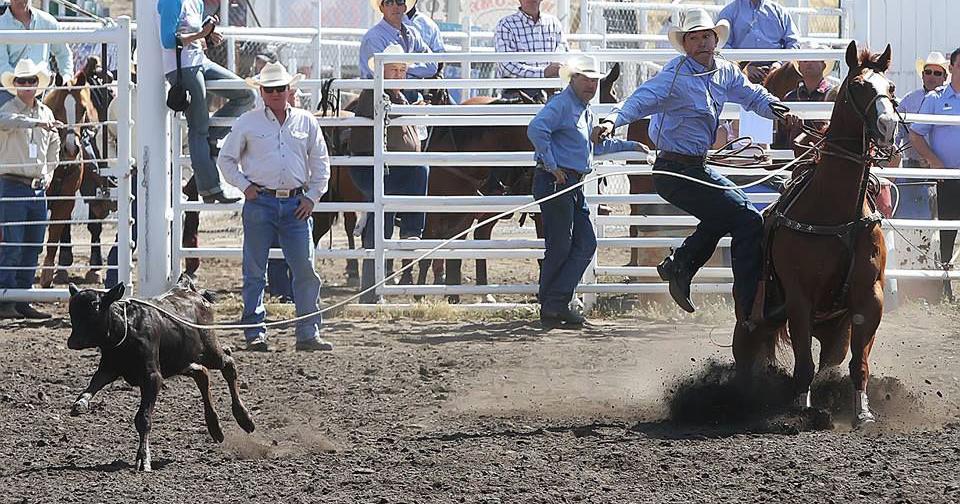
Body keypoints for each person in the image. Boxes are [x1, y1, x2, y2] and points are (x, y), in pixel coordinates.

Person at [593, 9, 800, 320]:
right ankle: (747, 303)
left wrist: (777, 109)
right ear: (685, 44)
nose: (702, 42)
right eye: (695, 37)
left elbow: (753, 96)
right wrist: (611, 120)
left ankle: (681, 266)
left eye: (706, 36)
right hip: (673, 170)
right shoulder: (673, 76)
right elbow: (638, 100)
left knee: (730, 215)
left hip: (695, 167)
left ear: (715, 40)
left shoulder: (725, 72)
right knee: (747, 219)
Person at [217, 62, 333, 352]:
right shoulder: (248, 121)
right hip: (262, 201)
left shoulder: (306, 121)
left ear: (288, 89)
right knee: (255, 270)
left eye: (280, 88)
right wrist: (245, 187)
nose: (276, 93)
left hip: (295, 202)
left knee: (305, 269)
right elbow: (226, 159)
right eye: (270, 89)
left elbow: (321, 164)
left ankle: (307, 332)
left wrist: (312, 197)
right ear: (263, 92)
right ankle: (256, 332)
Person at [528, 55, 646, 328]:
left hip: (570, 182)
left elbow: (594, 149)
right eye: (587, 80)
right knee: (563, 245)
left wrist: (630, 146)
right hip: (557, 181)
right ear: (573, 79)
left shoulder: (582, 109)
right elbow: (536, 129)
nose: (592, 85)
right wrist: (551, 164)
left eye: (595, 81)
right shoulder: (562, 105)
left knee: (580, 244)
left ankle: (554, 303)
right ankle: (553, 305)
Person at [349, 45, 424, 304]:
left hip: (393, 165)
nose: (400, 74)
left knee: (385, 213)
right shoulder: (374, 92)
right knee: (382, 215)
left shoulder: (398, 95)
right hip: (373, 165)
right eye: (394, 69)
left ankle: (412, 230)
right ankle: (370, 289)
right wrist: (416, 109)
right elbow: (386, 113)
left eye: (402, 69)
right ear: (381, 70)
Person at [157, 0, 253, 203]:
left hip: (199, 62)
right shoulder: (171, 1)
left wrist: (207, 37)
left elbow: (192, 38)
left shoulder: (196, 2)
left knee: (247, 94)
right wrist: (202, 34)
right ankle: (211, 187)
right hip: (182, 68)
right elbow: (167, 40)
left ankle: (210, 138)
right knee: (198, 128)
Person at [0, 59, 62, 319]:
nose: (27, 85)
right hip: (12, 184)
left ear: (37, 85)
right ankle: (6, 299)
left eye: (31, 81)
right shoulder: (8, 110)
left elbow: (53, 146)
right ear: (15, 86)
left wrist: (48, 172)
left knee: (33, 246)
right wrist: (36, 124)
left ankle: (21, 298)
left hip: (37, 189)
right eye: (22, 81)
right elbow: (7, 120)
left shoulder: (46, 113)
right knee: (12, 245)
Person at [908, 47, 960, 301]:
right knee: (947, 232)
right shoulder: (937, 99)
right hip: (948, 177)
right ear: (952, 68)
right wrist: (935, 162)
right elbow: (916, 133)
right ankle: (945, 283)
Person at [0, 0, 73, 107]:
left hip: (45, 89)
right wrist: (23, 83)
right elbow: (2, 65)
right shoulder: (1, 25)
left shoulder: (48, 22)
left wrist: (66, 78)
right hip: (10, 91)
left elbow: (64, 54)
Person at [494, 0, 567, 101]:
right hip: (518, 89)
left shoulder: (553, 23)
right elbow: (508, 66)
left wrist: (553, 71)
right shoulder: (505, 25)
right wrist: (544, 73)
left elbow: (562, 54)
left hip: (551, 88)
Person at [772, 43, 837, 149]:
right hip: (794, 153)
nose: (809, 64)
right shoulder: (790, 97)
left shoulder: (833, 94)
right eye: (805, 61)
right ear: (800, 67)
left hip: (825, 152)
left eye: (814, 60)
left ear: (823, 65)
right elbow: (782, 134)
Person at [717, 0, 800, 84]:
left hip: (778, 74)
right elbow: (722, 45)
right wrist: (743, 68)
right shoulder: (728, 12)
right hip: (740, 74)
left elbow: (793, 43)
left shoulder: (780, 12)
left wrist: (780, 64)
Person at [359, 0, 438, 80]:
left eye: (399, 1)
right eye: (389, 2)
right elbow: (381, 74)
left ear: (405, 7)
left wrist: (399, 67)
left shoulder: (413, 34)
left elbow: (433, 66)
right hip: (380, 91)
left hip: (410, 90)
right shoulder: (373, 38)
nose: (395, 6)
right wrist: (410, 65)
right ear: (381, 8)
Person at [897, 51, 949, 168]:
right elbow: (897, 130)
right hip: (914, 164)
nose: (932, 76)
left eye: (937, 73)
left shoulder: (953, 100)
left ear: (945, 77)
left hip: (945, 165)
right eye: (928, 72)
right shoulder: (909, 99)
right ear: (923, 74)